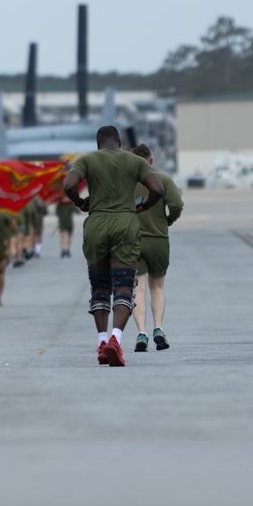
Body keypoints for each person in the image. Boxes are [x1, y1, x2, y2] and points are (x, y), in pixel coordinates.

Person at [63, 126, 164, 367]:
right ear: (119, 142)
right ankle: (115, 340)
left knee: (99, 287)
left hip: (96, 225)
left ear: (98, 143)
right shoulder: (133, 160)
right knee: (124, 286)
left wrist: (80, 202)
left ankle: (100, 343)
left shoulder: (86, 159)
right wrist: (143, 207)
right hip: (124, 225)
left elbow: (68, 185)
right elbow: (157, 189)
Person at [129, 143, 184, 352]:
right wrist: (169, 219)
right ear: (151, 161)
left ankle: (141, 333)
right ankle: (158, 329)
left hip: (134, 240)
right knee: (158, 288)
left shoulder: (128, 184)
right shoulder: (163, 180)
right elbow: (177, 204)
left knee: (138, 289)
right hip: (159, 239)